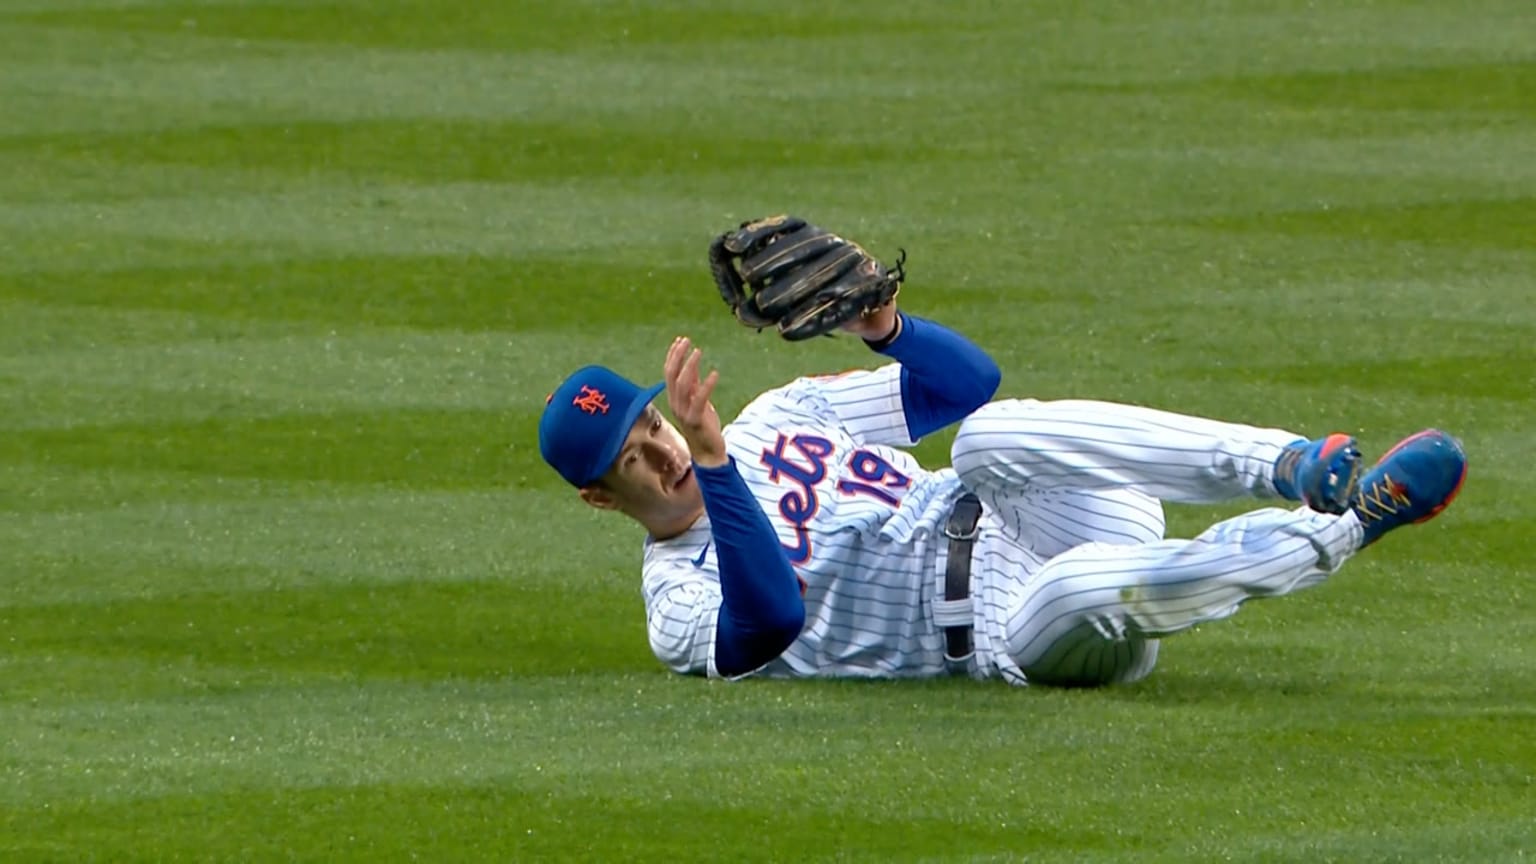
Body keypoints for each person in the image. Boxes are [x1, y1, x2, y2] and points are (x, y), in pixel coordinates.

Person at [537, 300, 1467, 686]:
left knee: (989, 435)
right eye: (630, 457)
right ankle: (1350, 525)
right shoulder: (675, 603)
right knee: (1078, 587)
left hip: (1035, 514)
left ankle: (1290, 464)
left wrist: (886, 324)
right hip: (1014, 629)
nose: (657, 451)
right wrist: (714, 466)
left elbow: (964, 385)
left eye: (650, 424)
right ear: (600, 498)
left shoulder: (779, 415)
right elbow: (770, 620)